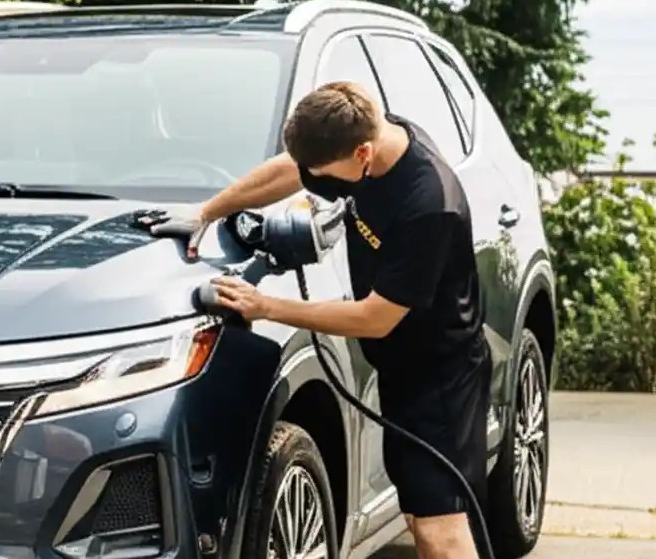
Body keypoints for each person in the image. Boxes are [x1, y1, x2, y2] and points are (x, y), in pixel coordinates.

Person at [138, 81, 490, 559]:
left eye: (322, 173)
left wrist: (266, 306)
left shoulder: (428, 203)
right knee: (417, 515)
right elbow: (291, 169)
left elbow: (376, 318)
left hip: (441, 380)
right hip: (400, 370)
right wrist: (206, 212)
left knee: (439, 531)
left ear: (362, 154)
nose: (313, 180)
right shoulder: (361, 134)